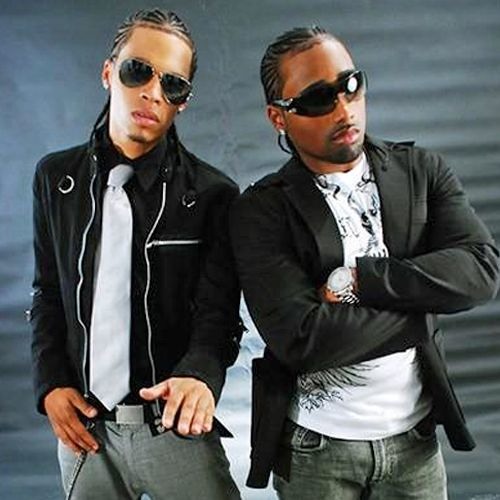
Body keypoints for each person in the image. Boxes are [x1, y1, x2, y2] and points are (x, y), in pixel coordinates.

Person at [230, 26, 499, 499]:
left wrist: (360, 281)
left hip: (415, 443)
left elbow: (480, 272)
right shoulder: (262, 210)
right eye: (318, 99)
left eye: (351, 85)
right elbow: (302, 340)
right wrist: (424, 305)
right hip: (317, 451)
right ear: (278, 117)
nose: (344, 109)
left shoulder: (421, 172)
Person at [30, 8, 242, 499]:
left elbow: (218, 315)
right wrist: (50, 385)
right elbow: (47, 292)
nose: (152, 92)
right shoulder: (54, 179)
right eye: (137, 71)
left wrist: (200, 377)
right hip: (86, 430)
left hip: (173, 427)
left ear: (183, 102)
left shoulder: (213, 195)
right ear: (108, 73)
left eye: (173, 84)